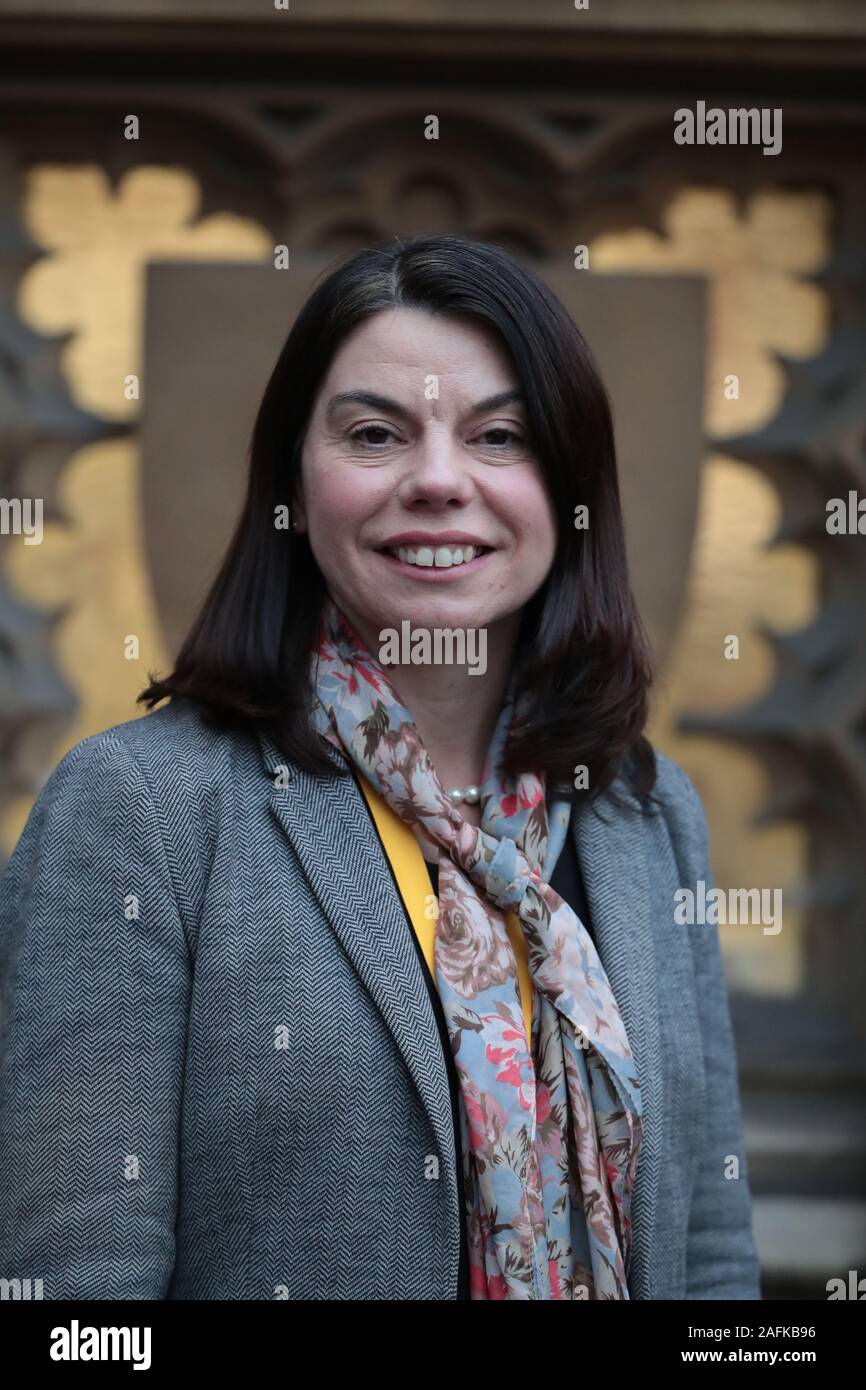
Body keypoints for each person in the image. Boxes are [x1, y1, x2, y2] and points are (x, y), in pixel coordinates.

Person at [0, 234, 761, 1300]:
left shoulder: (645, 813)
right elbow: (75, 1289)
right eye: (373, 433)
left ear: (571, 486)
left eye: (500, 436)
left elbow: (713, 1254)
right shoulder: (143, 812)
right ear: (293, 486)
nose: (439, 481)